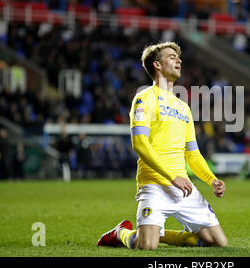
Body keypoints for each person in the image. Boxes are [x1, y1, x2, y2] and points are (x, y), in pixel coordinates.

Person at [97, 41, 227, 250]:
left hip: (183, 187)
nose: (179, 60)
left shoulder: (183, 107)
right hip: (154, 184)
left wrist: (211, 180)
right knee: (147, 246)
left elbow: (192, 154)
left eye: (178, 57)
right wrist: (172, 177)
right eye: (172, 56)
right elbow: (139, 143)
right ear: (157, 65)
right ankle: (121, 232)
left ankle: (161, 234)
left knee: (218, 242)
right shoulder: (144, 99)